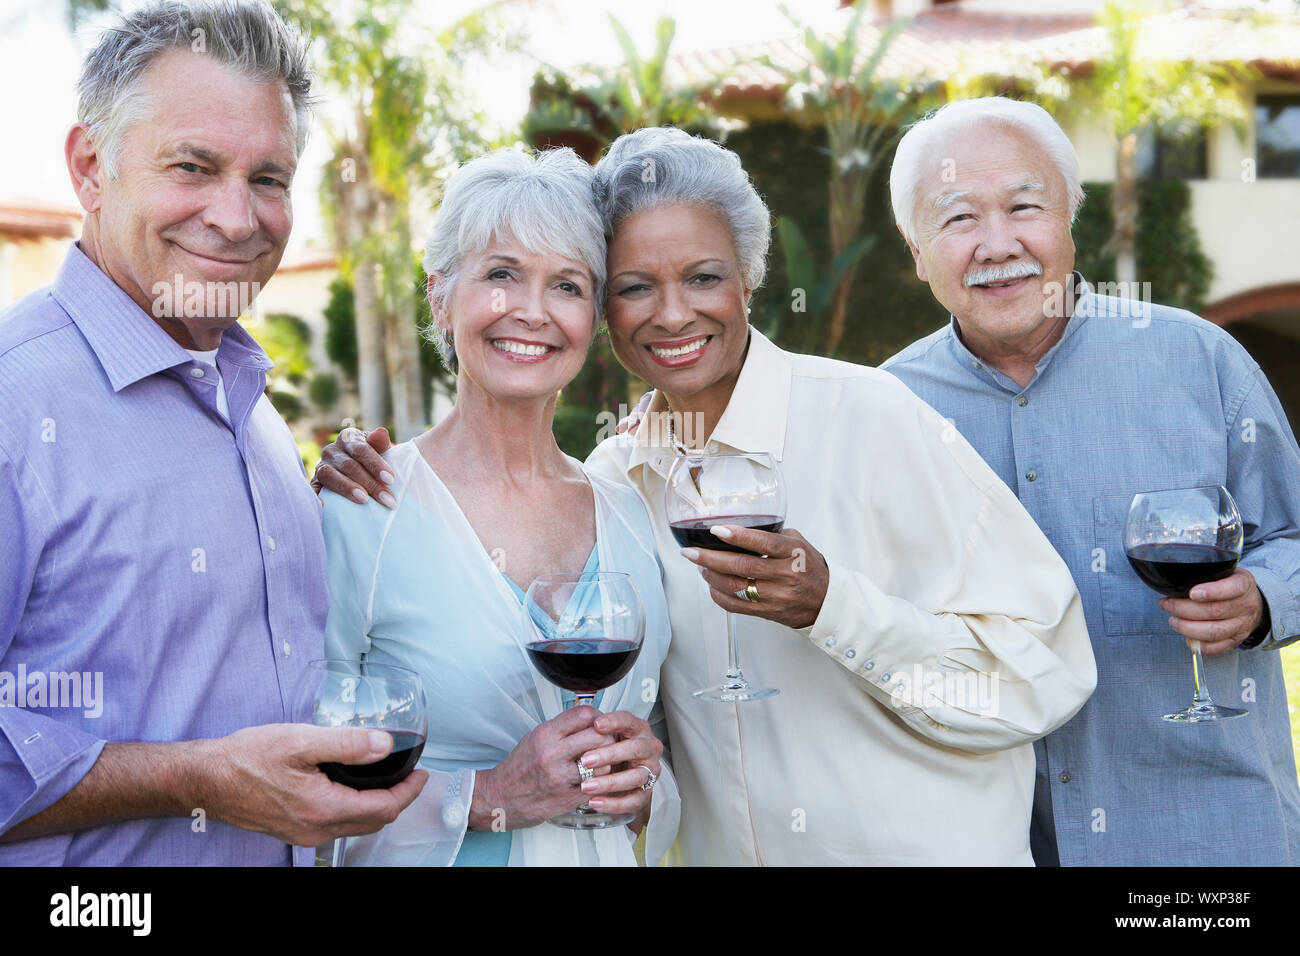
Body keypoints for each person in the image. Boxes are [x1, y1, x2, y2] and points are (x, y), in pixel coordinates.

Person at [320, 126, 1098, 865]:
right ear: (608, 315)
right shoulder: (624, 478)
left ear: (749, 279)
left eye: (703, 277)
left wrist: (834, 608)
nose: (672, 313)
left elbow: (1045, 673)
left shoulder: (874, 417)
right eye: (634, 287)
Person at [0, 0, 424, 866]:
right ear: (91, 167)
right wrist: (195, 778)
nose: (238, 219)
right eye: (193, 166)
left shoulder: (253, 407)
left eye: (268, 179)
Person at [880, 96, 1300, 865]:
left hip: (1204, 837)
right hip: (985, 839)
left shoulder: (1201, 364)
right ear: (915, 251)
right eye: (958, 218)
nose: (997, 243)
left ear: (1072, 218)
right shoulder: (884, 410)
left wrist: (1264, 596)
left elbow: (1294, 537)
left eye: (1024, 207)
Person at [320, 147, 677, 866]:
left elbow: (664, 752)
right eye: (502, 274)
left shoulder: (633, 509)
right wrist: (485, 796)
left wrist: (648, 786)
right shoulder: (362, 508)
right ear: (440, 297)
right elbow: (299, 779)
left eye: (568, 285)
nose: (533, 312)